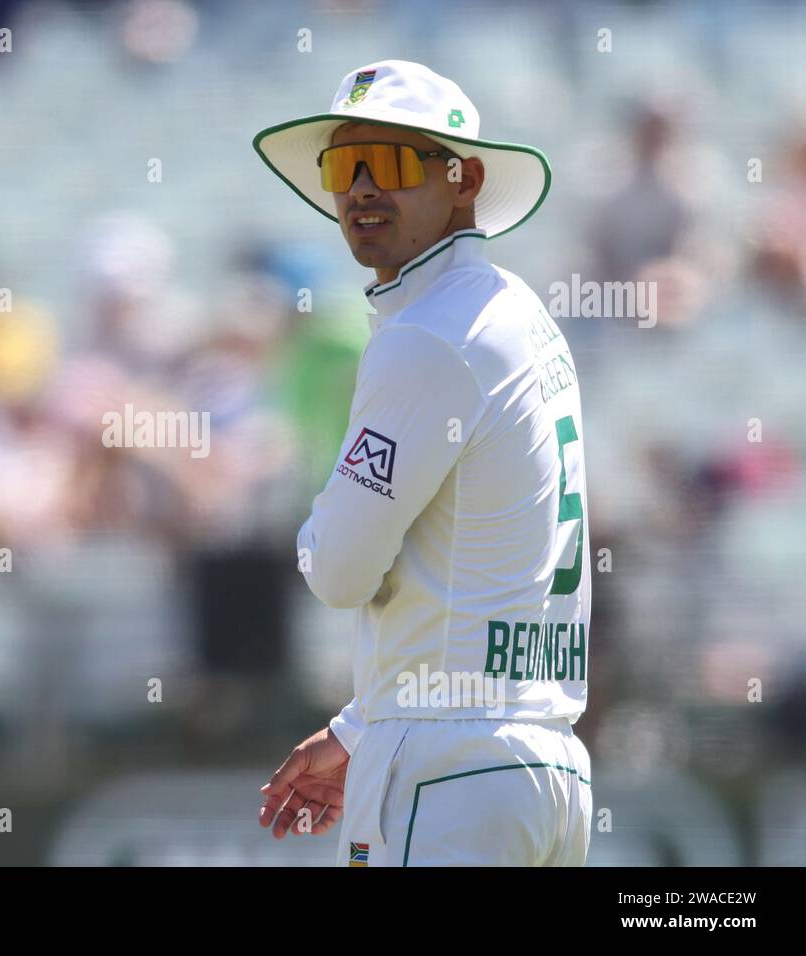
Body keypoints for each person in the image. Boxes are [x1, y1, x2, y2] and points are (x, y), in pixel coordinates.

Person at [253, 60, 593, 866]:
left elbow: (338, 571)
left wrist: (314, 528)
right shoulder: (513, 311)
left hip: (449, 773)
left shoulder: (428, 333)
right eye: (345, 165)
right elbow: (475, 568)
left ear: (465, 178)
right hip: (541, 767)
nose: (363, 188)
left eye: (397, 161)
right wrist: (359, 727)